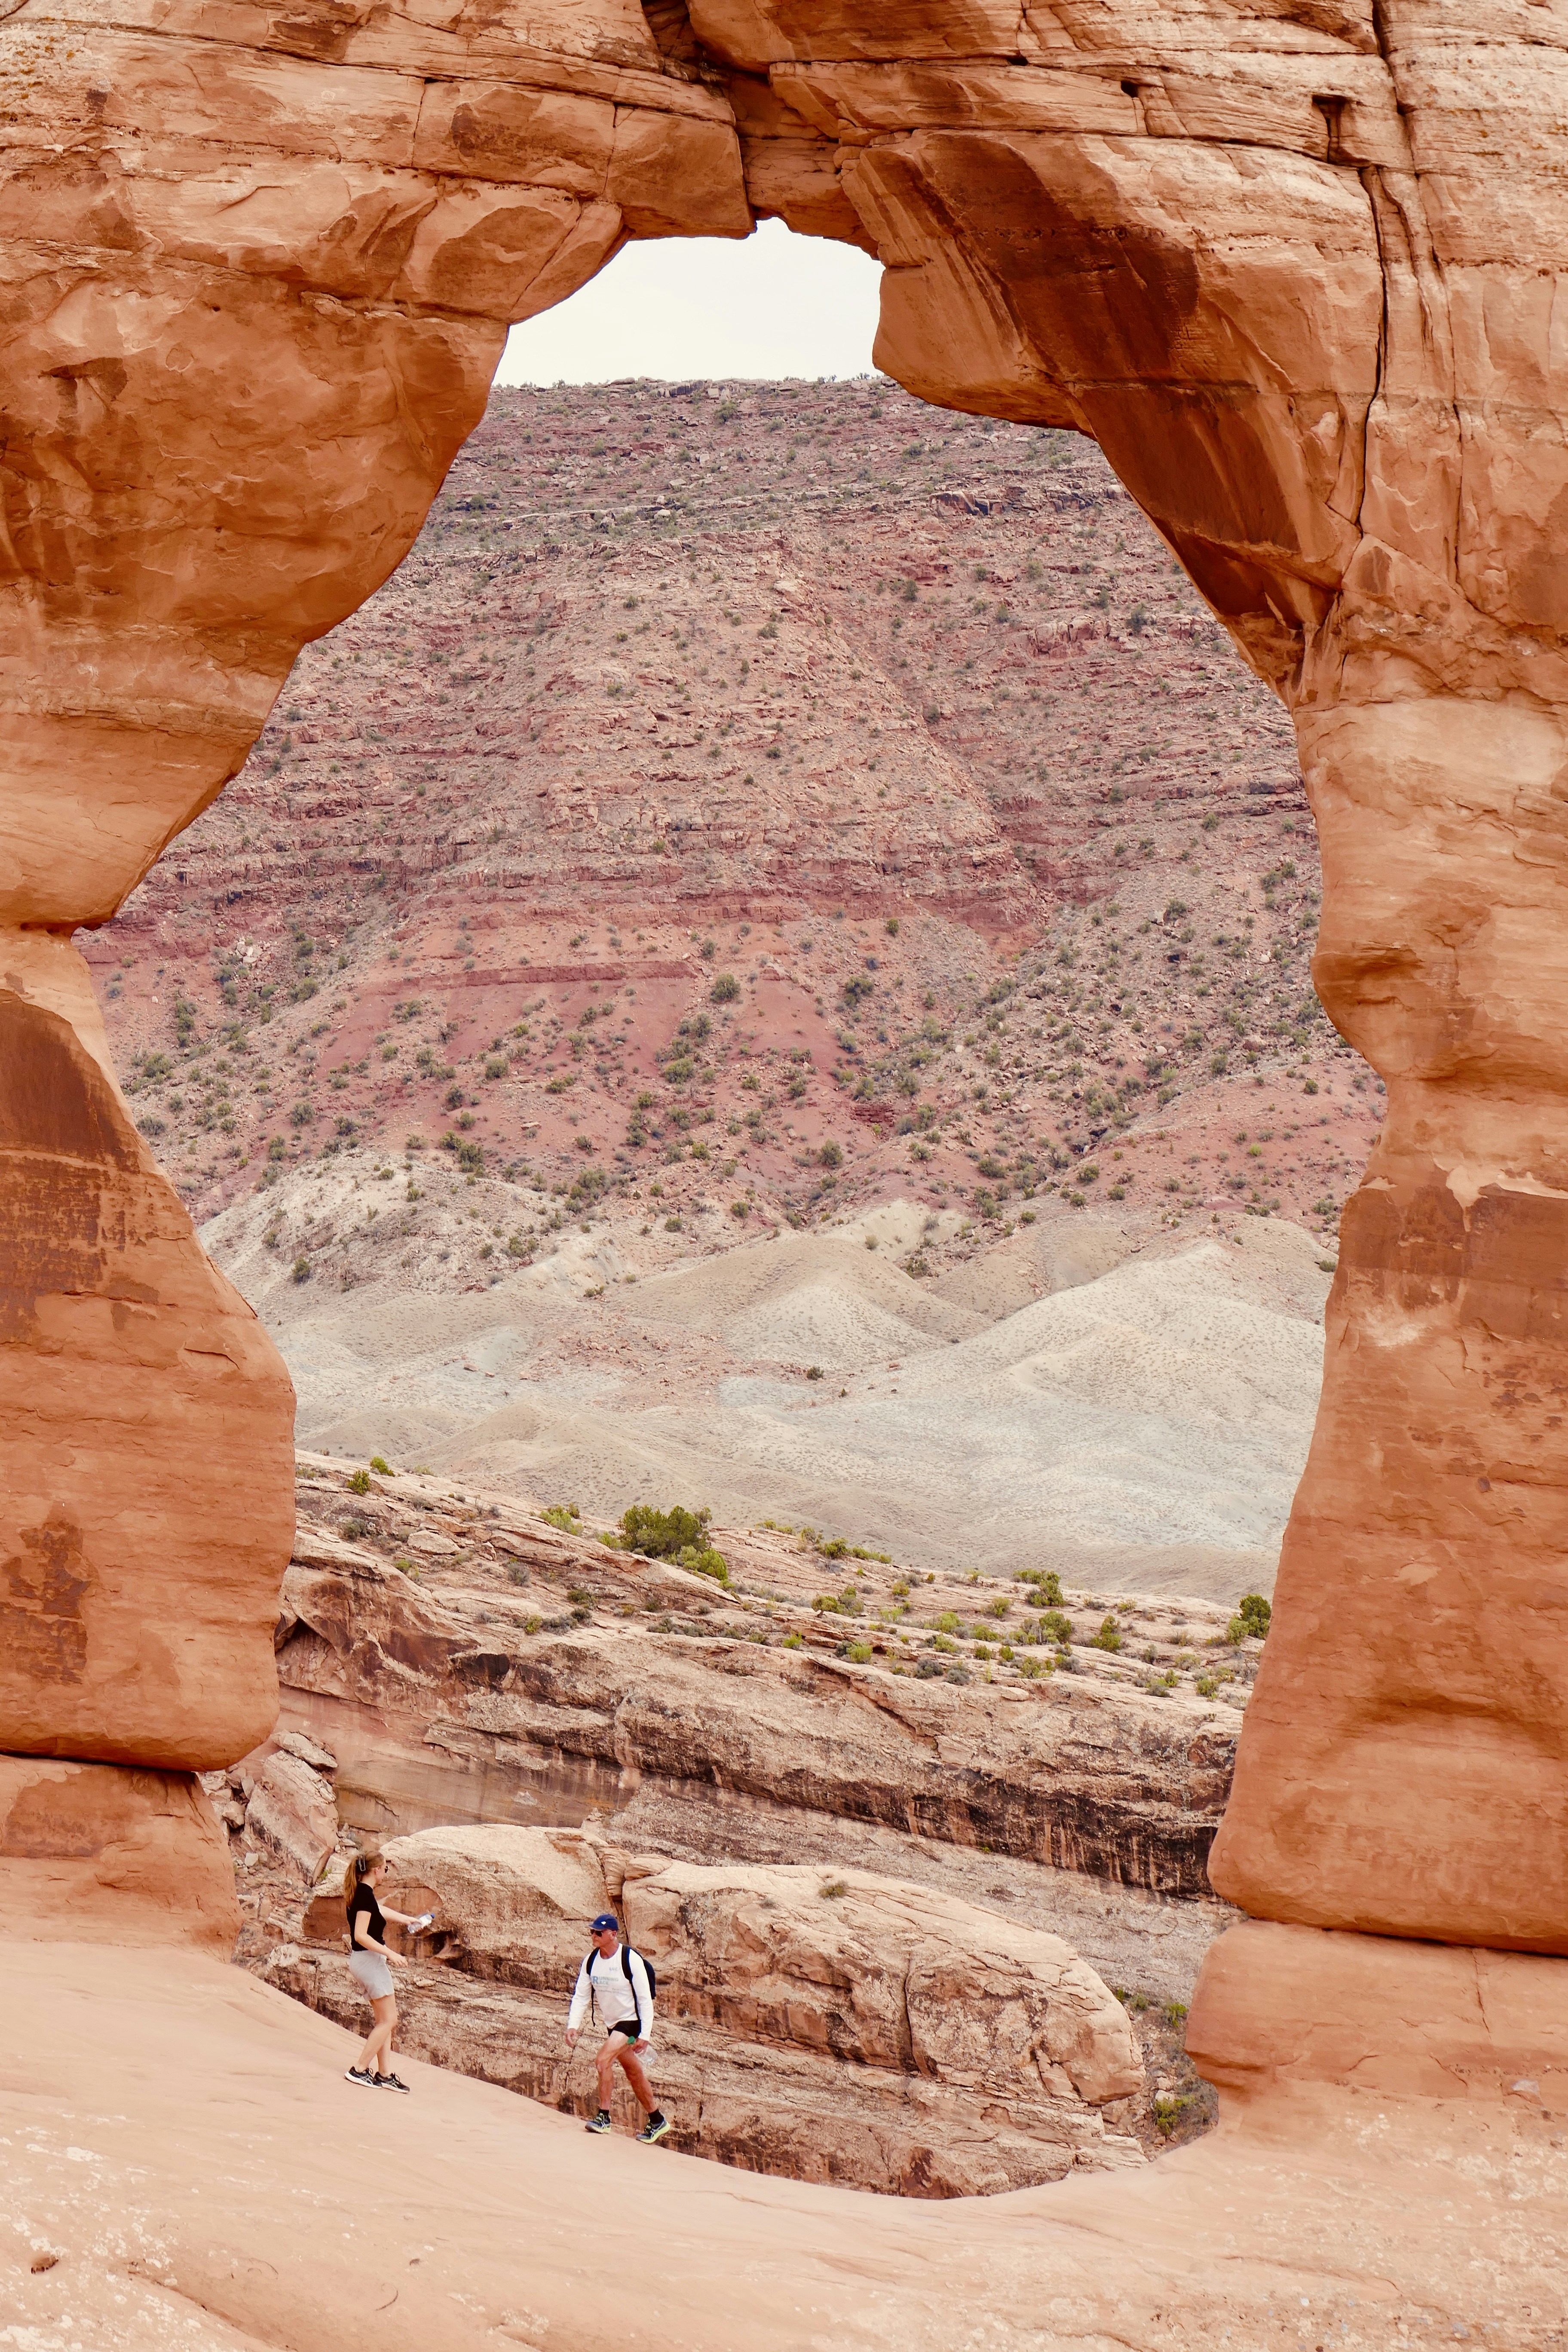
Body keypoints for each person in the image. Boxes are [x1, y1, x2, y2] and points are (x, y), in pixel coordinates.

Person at [565, 1911, 670, 2143]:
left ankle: (603, 2117)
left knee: (603, 2061)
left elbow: (645, 2000)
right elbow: (581, 1996)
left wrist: (645, 2034)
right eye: (592, 1932)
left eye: (599, 1932)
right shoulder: (591, 1961)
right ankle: (657, 2120)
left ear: (613, 1934)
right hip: (613, 2025)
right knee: (634, 2073)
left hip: (632, 2022)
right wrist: (573, 2025)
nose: (594, 1936)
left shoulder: (630, 1959)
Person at [343, 1850, 432, 2092]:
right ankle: (359, 2070)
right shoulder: (363, 1896)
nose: (386, 1873)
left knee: (385, 2021)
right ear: (376, 1870)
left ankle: (385, 2074)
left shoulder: (364, 1894)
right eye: (385, 1869)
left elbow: (379, 1911)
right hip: (369, 1962)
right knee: (389, 2020)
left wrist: (409, 1920)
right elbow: (360, 1935)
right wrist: (390, 1953)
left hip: (368, 1962)